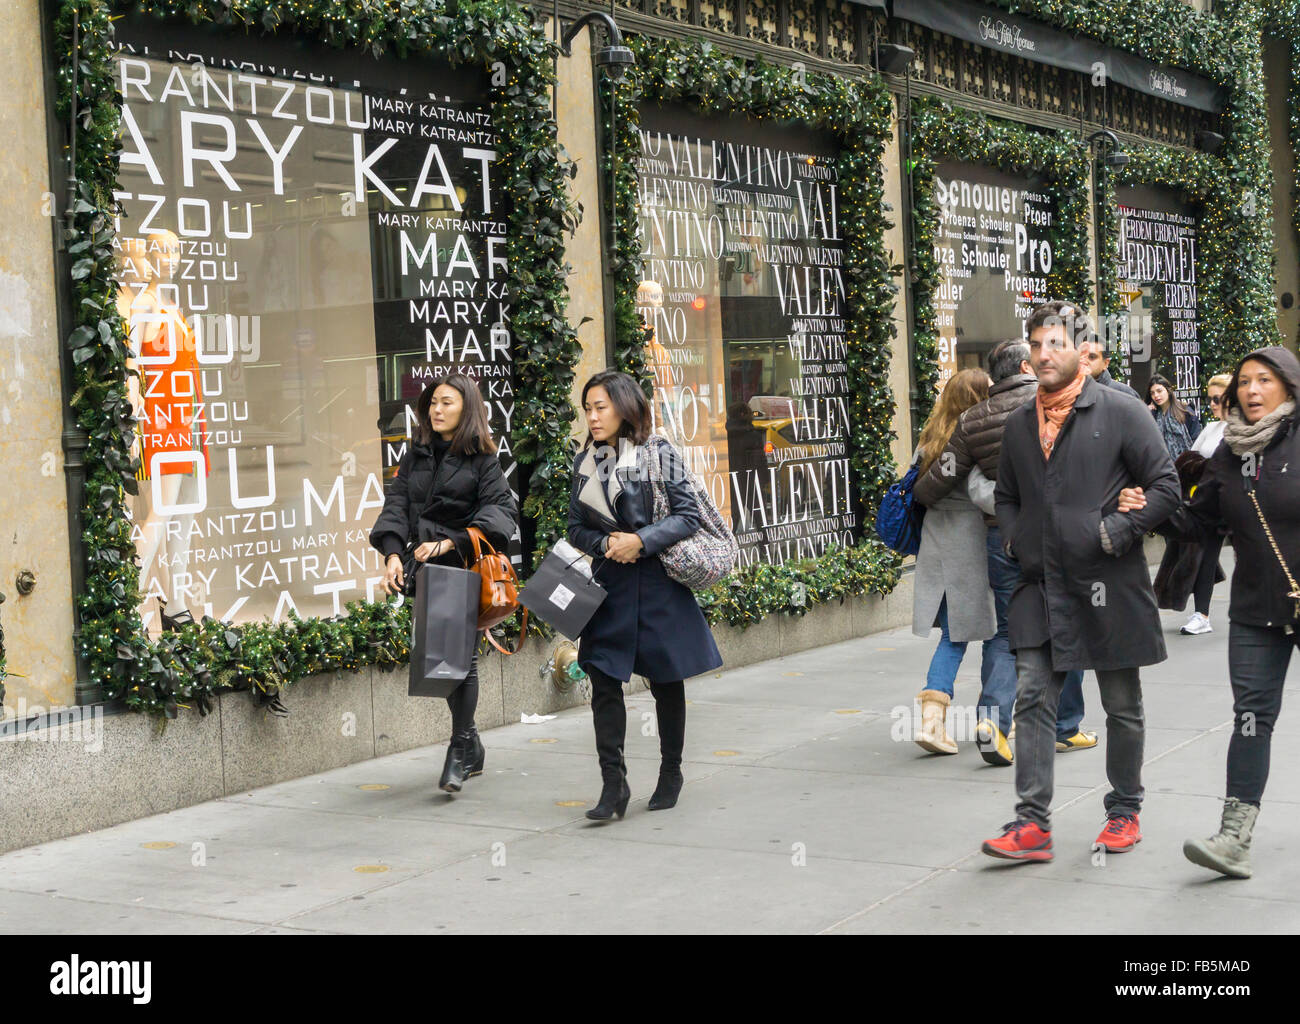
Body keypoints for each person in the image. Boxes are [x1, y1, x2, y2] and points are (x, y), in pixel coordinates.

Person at [980, 300, 1180, 862]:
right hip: (1040, 586)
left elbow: (1164, 485)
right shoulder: (1020, 423)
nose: (1044, 355)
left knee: (1121, 704)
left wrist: (1116, 530)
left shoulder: (1120, 411)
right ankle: (1032, 824)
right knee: (1031, 697)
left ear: (1081, 352)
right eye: (1037, 344)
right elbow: (1007, 495)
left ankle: (1124, 811)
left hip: (1109, 583)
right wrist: (1017, 540)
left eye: (1056, 344)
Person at [1118, 347, 1300, 879]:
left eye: (1265, 380)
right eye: (1245, 381)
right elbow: (1198, 524)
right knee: (1250, 718)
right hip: (1255, 610)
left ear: (1288, 386)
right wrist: (1147, 508)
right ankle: (1233, 838)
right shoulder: (1230, 454)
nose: (1252, 390)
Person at [913, 339, 1096, 766]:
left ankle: (991, 721)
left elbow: (934, 484)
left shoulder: (974, 420)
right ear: (1029, 365)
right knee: (1068, 624)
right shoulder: (1054, 402)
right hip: (1062, 533)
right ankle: (1065, 728)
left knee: (1007, 631)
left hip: (1003, 538)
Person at [568, 370, 722, 820]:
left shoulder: (660, 452)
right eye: (588, 409)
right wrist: (605, 545)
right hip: (608, 585)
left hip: (657, 581)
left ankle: (670, 772)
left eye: (601, 407)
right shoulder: (585, 461)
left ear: (624, 406)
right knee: (602, 681)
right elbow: (574, 526)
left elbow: (688, 514)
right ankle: (612, 785)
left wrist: (641, 541)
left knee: (665, 680)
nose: (593, 417)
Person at [369, 375, 517, 794]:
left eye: (447, 403)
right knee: (442, 660)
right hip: (424, 569)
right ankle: (473, 746)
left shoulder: (483, 458)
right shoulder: (415, 454)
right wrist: (393, 553)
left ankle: (458, 749)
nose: (436, 410)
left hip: (464, 568)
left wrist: (449, 542)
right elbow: (396, 503)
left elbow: (501, 511)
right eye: (433, 402)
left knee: (461, 661)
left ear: (465, 408)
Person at [908, 368, 995, 755]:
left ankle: (938, 719)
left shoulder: (929, 440)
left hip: (935, 547)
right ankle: (978, 718)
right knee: (979, 634)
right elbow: (982, 495)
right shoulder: (973, 440)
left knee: (955, 634)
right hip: (968, 549)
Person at [1179, 373, 1232, 635]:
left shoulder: (1238, 427)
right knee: (1203, 556)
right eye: (1209, 398)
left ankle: (1202, 613)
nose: (1211, 403)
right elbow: (1190, 457)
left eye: (1216, 398)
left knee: (1207, 556)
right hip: (1203, 504)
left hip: (1224, 506)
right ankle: (1201, 613)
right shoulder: (1211, 428)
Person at [1147, 373, 1202, 460]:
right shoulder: (1152, 415)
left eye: (1159, 391)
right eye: (1152, 393)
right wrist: (1146, 412)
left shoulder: (1185, 411)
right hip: (1161, 466)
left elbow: (1196, 439)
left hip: (1186, 464)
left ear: (1168, 390)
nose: (1156, 395)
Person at [1081, 335, 1141, 400]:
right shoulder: (1072, 393)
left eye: (1092, 357)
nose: (1085, 361)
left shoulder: (1125, 394)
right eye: (1082, 356)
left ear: (1105, 363)